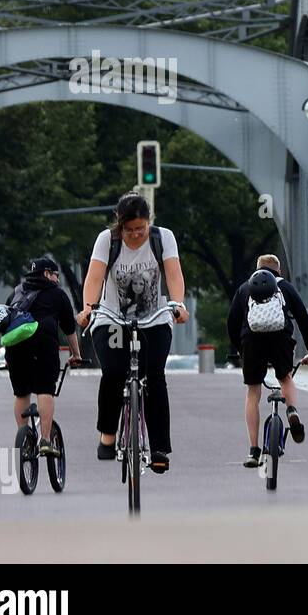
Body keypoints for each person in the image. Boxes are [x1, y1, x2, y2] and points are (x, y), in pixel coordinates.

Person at [75, 191, 189, 473]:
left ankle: (160, 448)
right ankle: (108, 434)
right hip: (112, 318)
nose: (136, 235)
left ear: (149, 223)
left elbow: (173, 274)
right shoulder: (107, 240)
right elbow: (95, 276)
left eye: (141, 228)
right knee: (113, 373)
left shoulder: (163, 238)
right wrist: (89, 308)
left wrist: (177, 305)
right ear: (119, 225)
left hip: (154, 318)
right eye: (129, 230)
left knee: (154, 377)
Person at [227, 255, 308, 467]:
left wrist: (240, 348)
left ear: (257, 270)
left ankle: (253, 449)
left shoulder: (244, 289)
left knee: (253, 390)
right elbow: (304, 320)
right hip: (281, 340)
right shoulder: (285, 287)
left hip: (251, 342)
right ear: (279, 271)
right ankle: (292, 410)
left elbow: (232, 323)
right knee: (285, 377)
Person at [0, 258, 82, 456]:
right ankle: (44, 439)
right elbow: (69, 328)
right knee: (45, 389)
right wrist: (76, 354)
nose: (57, 279)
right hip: (43, 343)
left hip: (15, 347)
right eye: (55, 275)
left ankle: (23, 438)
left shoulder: (17, 292)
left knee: (21, 392)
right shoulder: (57, 294)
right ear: (46, 273)